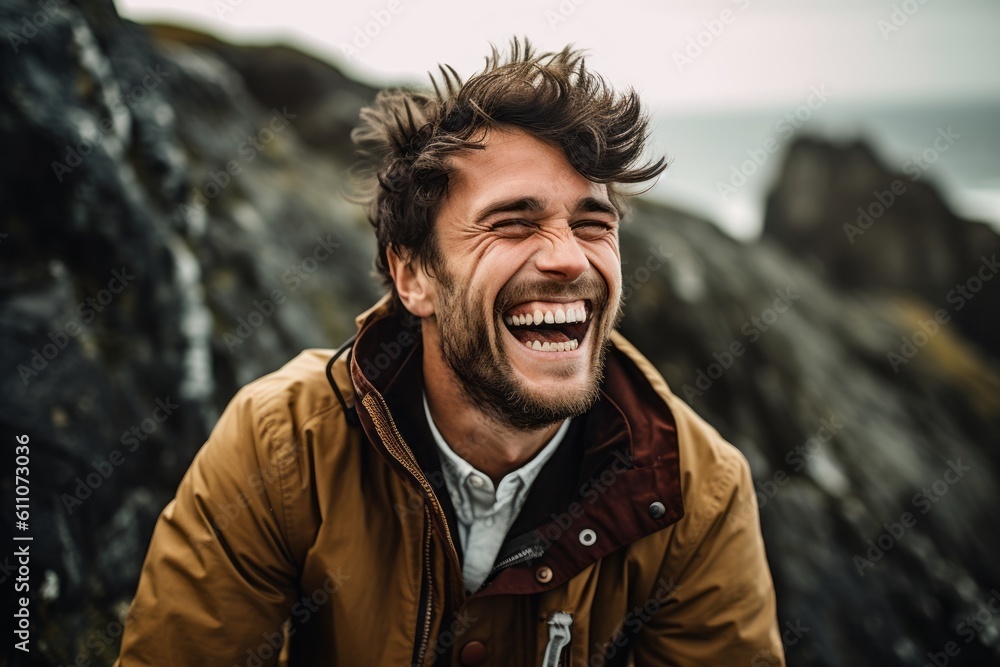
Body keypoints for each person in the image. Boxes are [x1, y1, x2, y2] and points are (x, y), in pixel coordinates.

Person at [115, 39, 784, 667]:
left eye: (592, 223)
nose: (567, 257)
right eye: (513, 222)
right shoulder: (280, 447)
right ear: (414, 277)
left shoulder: (696, 492)